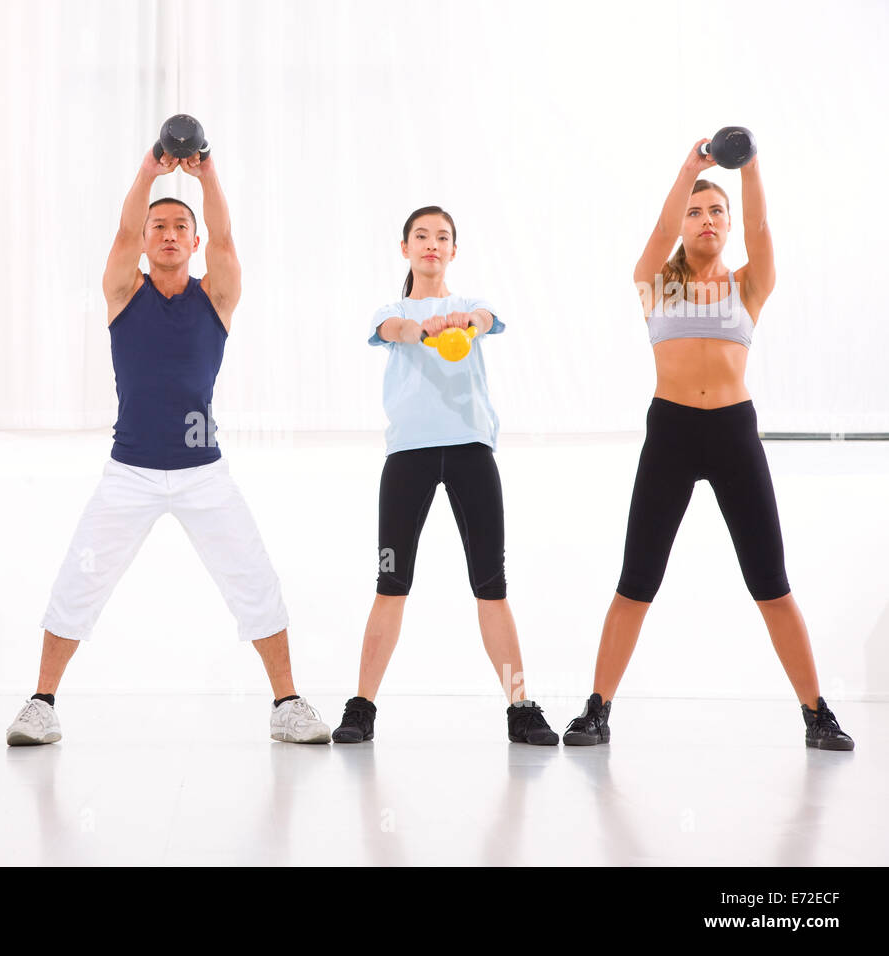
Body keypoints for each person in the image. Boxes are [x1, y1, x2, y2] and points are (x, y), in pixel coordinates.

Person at [6, 145, 329, 745]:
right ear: (148, 239)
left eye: (183, 227)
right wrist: (151, 171)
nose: (170, 234)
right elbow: (125, 228)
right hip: (128, 472)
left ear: (196, 240)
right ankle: (41, 703)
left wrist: (206, 174)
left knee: (253, 578)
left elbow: (228, 238)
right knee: (79, 580)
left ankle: (287, 703)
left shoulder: (217, 296)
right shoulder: (124, 293)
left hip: (204, 471)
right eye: (161, 227)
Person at [562, 139, 854, 750]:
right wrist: (690, 171)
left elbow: (761, 223)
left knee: (770, 582)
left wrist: (748, 166)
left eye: (715, 212)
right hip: (669, 433)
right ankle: (597, 709)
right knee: (636, 580)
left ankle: (816, 713)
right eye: (695, 213)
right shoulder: (654, 285)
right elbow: (662, 223)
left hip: (732, 435)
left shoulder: (750, 284)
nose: (705, 220)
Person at [332, 206, 559, 746]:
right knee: (391, 584)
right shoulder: (391, 310)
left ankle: (520, 708)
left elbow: (485, 321)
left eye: (442, 237)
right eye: (421, 236)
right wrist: (424, 327)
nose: (432, 244)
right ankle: (361, 706)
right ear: (405, 248)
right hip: (408, 457)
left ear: (454, 250)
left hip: (470, 453)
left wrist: (461, 322)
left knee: (491, 587)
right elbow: (400, 330)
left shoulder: (470, 304)